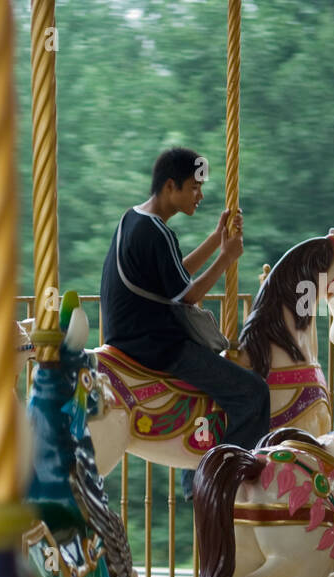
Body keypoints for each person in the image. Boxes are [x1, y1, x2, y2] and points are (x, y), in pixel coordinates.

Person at [100, 147, 265, 496]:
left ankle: (197, 467)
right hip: (157, 345)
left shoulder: (134, 220)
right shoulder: (157, 232)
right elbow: (188, 297)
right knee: (254, 394)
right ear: (170, 186)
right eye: (194, 187)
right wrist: (225, 259)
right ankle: (209, 480)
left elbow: (176, 278)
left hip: (129, 336)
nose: (200, 196)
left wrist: (214, 242)